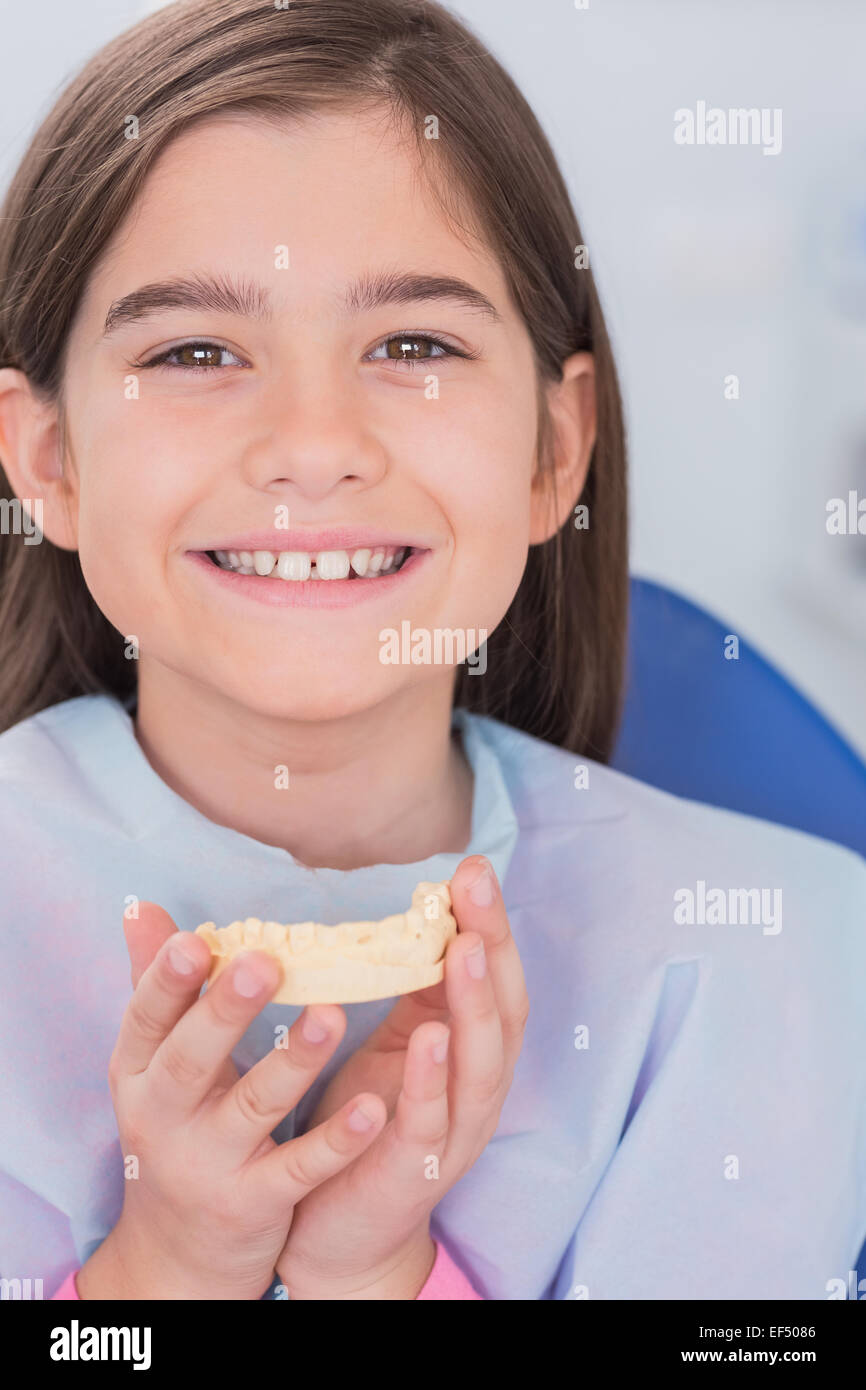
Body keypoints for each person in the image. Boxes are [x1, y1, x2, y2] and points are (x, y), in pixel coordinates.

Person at [0, 0, 863, 1301]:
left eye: (413, 345)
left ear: (550, 451)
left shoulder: (772, 961)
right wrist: (164, 1272)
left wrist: (377, 1272)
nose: (312, 438)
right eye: (191, 349)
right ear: (48, 461)